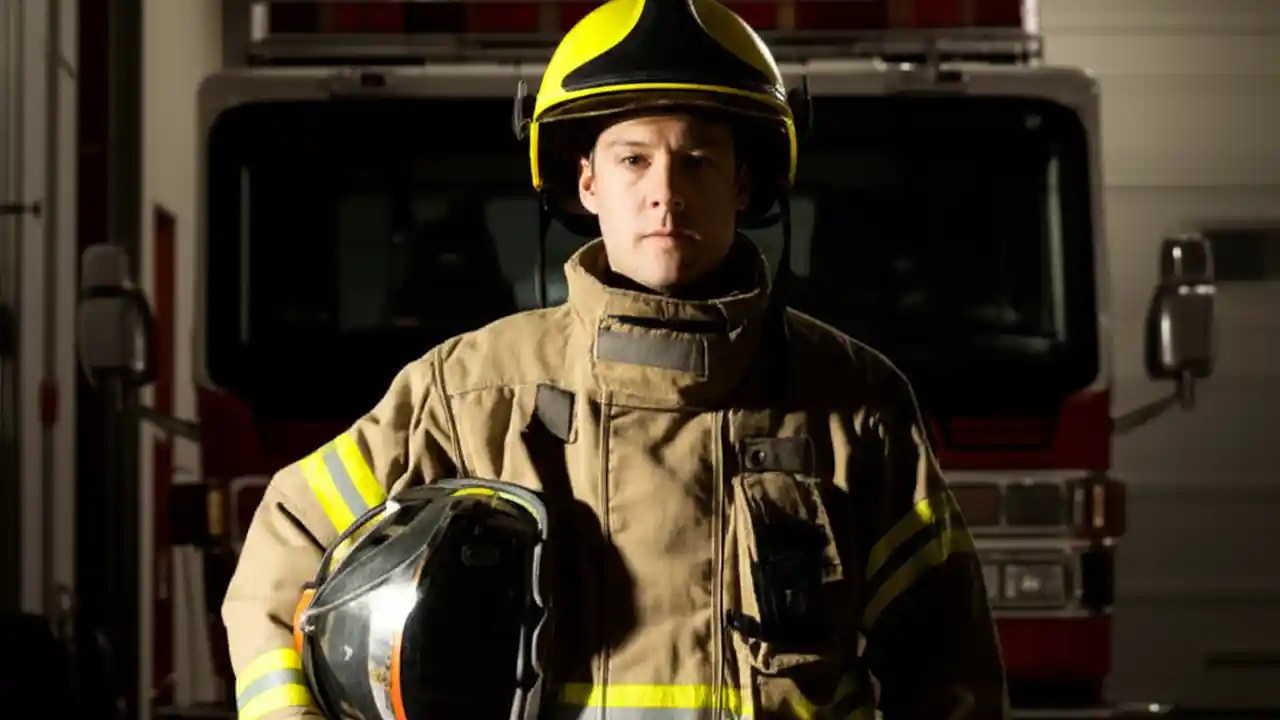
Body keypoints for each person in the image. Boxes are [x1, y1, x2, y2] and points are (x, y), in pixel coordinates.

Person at [221, 0, 1010, 718]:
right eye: (634, 160)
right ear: (586, 182)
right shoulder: (469, 392)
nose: (665, 192)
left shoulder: (854, 401)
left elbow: (950, 665)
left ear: (745, 183)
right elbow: (281, 552)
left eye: (698, 159)